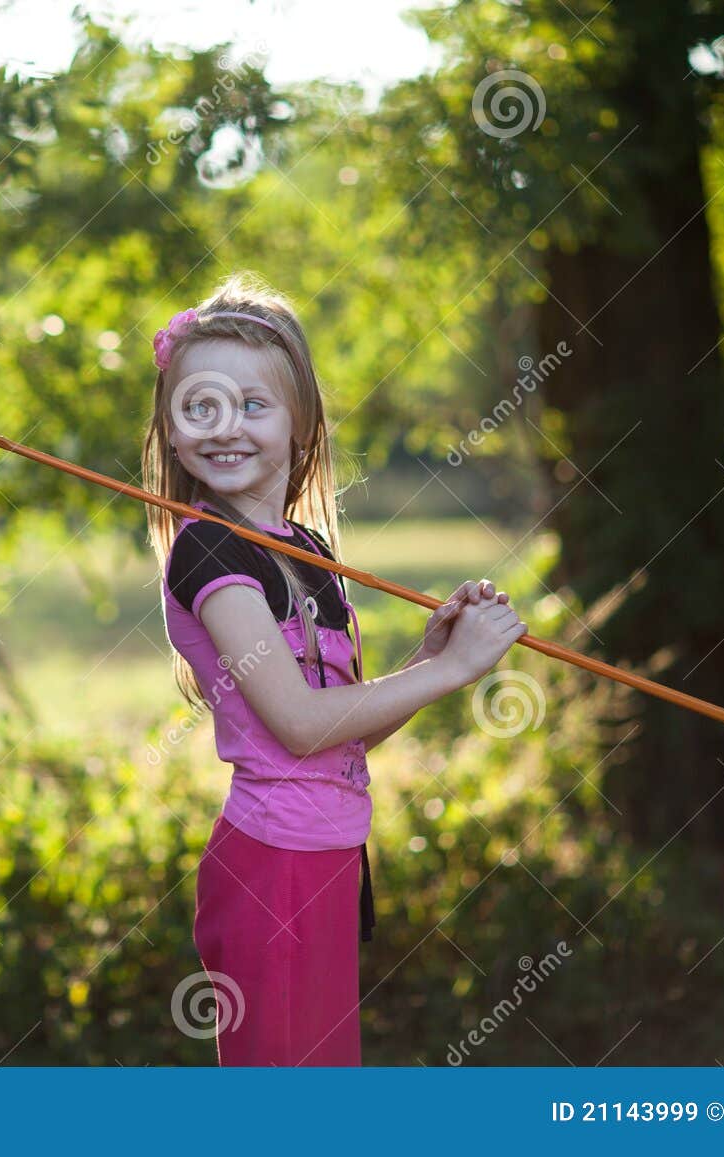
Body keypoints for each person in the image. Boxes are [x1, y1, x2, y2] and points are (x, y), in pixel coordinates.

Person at [141, 272, 528, 1066]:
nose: (225, 428)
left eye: (253, 404)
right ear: (173, 430)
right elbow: (299, 725)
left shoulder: (307, 548)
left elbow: (341, 734)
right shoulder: (208, 550)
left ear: (300, 419)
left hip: (326, 859)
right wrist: (451, 672)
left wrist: (424, 656)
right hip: (271, 869)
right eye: (200, 406)